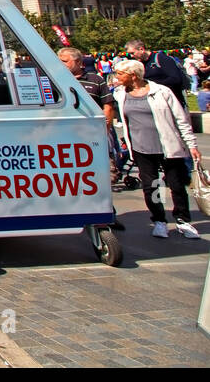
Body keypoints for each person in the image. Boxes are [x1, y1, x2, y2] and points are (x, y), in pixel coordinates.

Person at [110, 58, 201, 239]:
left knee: (176, 184)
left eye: (120, 74)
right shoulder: (120, 93)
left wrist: (191, 144)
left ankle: (183, 219)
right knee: (151, 186)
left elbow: (181, 119)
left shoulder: (161, 91)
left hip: (167, 144)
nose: (116, 78)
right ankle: (159, 220)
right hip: (141, 147)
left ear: (133, 75)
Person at [59, 47, 122, 197]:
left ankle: (107, 214)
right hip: (68, 136)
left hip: (94, 133)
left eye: (65, 61)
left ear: (78, 61)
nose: (62, 64)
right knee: (73, 177)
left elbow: (108, 104)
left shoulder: (95, 80)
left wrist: (105, 127)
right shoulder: (57, 81)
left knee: (103, 174)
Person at [126, 40, 189, 110]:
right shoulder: (140, 64)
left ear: (141, 49)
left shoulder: (161, 59)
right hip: (155, 103)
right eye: (129, 54)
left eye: (132, 53)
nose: (131, 56)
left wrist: (152, 85)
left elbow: (176, 79)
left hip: (173, 101)